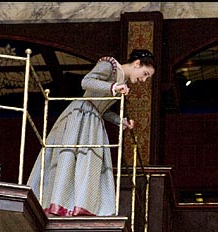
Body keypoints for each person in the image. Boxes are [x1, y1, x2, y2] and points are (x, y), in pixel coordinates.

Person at [27, 49, 156, 216]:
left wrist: (119, 121)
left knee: (88, 163)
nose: (144, 79)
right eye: (145, 74)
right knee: (70, 158)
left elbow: (102, 108)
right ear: (137, 64)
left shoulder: (123, 81)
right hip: (82, 114)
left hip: (94, 119)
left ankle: (80, 205)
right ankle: (59, 204)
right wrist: (113, 87)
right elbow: (86, 82)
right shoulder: (111, 66)